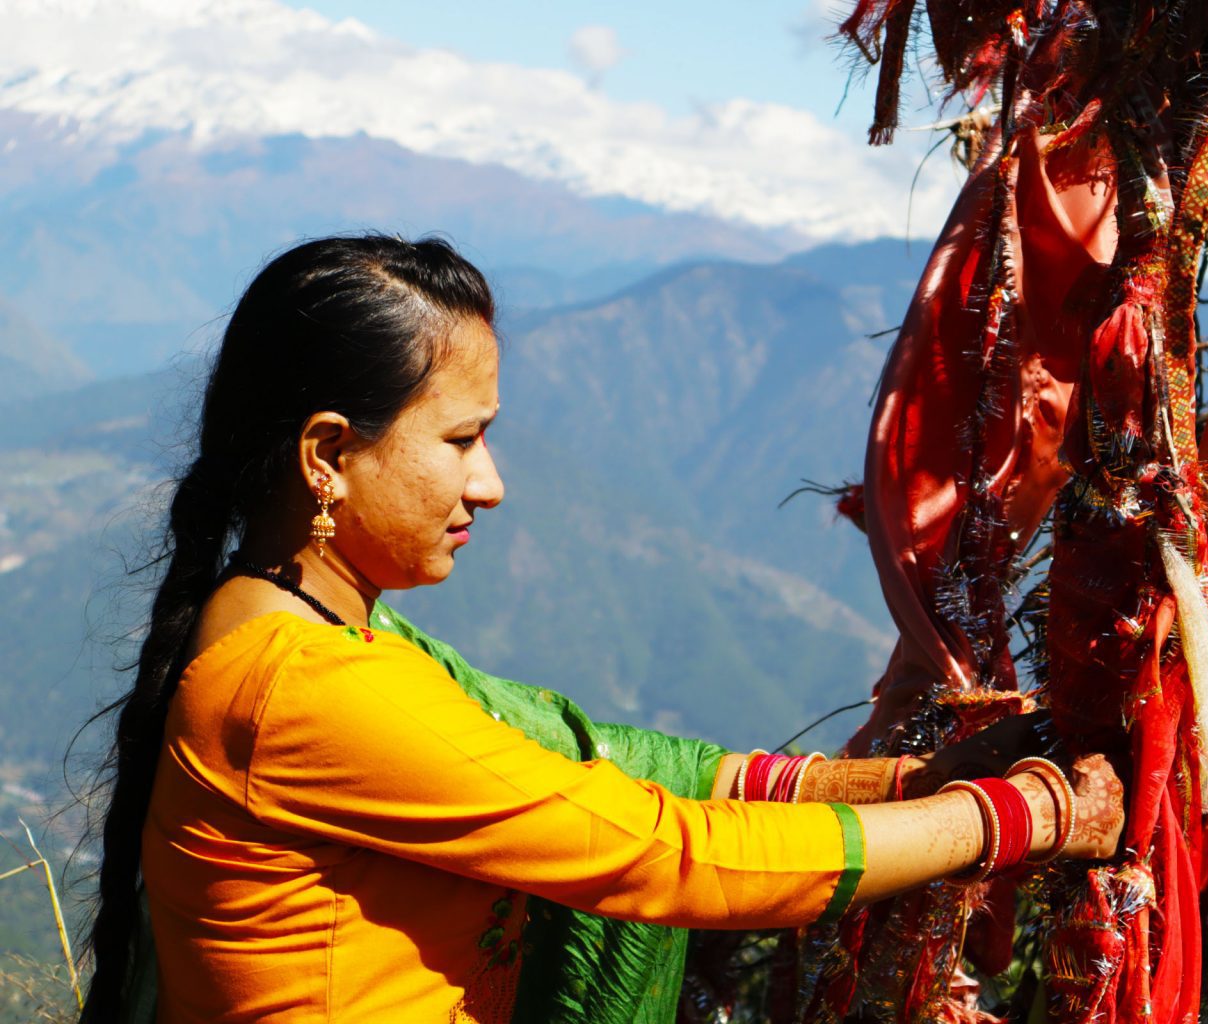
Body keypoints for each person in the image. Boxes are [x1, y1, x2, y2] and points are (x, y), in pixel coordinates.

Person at [80, 235, 1124, 1023]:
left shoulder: (297, 628)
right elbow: (660, 851)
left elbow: (588, 761)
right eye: (461, 438)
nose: (490, 483)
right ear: (326, 453)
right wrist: (1021, 815)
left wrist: (906, 784)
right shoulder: (305, 690)